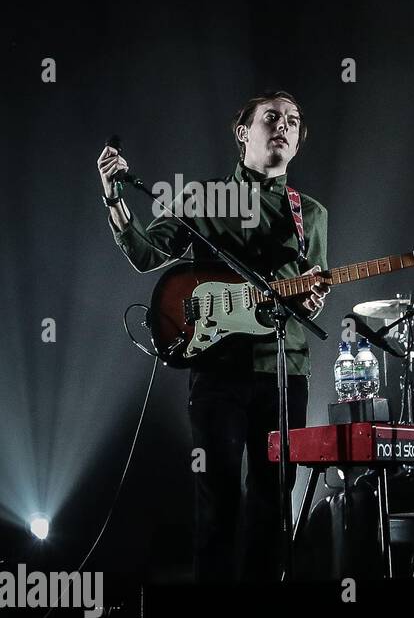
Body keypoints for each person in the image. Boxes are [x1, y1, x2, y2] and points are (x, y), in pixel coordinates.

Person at [99, 90, 330, 581]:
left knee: (273, 502)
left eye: (293, 120)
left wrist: (314, 298)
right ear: (243, 132)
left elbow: (317, 282)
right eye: (272, 117)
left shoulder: (311, 213)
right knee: (219, 501)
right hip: (217, 372)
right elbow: (145, 254)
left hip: (284, 370)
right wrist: (114, 196)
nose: (285, 125)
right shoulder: (203, 197)